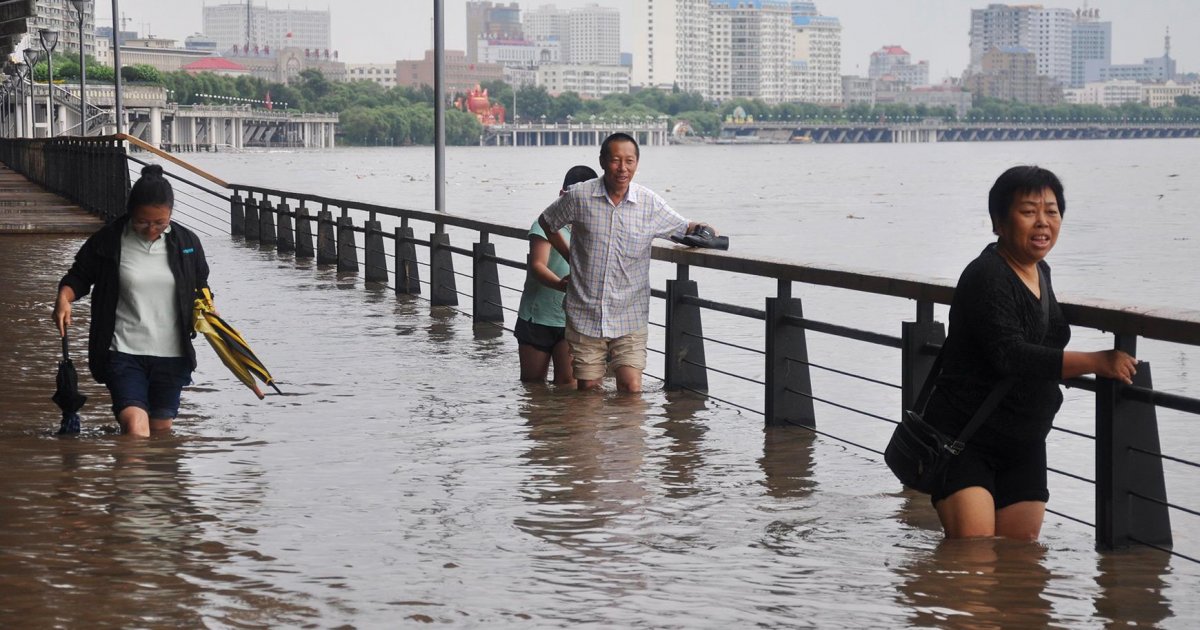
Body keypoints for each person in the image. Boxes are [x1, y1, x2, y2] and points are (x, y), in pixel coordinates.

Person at [924, 165, 1138, 540]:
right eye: (1028, 212)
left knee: (1020, 568)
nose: (1043, 222)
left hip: (1024, 444)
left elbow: (1041, 345)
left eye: (1051, 211)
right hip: (966, 440)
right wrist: (1095, 362)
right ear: (999, 223)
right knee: (973, 564)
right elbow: (1011, 355)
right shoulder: (987, 274)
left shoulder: (1041, 272)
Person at [539, 132, 715, 393]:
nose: (623, 168)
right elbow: (547, 222)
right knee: (588, 388)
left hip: (630, 312)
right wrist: (571, 257)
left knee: (631, 388)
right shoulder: (579, 197)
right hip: (585, 310)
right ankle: (588, 435)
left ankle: (627, 434)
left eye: (629, 161)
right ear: (602, 161)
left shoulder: (649, 203)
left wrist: (707, 230)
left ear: (637, 163)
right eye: (615, 160)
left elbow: (683, 225)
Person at [53, 164, 210, 438]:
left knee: (161, 433)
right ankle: (128, 481)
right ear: (130, 212)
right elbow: (78, 277)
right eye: (142, 222)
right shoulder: (108, 241)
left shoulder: (187, 243)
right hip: (122, 352)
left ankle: (145, 482)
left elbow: (201, 287)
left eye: (160, 222)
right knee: (136, 429)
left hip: (173, 356)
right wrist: (63, 299)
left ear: (171, 214)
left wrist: (210, 312)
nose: (151, 229)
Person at [516, 165, 598, 385]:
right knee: (533, 385)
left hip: (573, 319)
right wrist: (562, 285)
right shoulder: (545, 224)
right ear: (562, 195)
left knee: (568, 387)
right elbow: (538, 265)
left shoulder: (594, 228)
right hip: (537, 316)